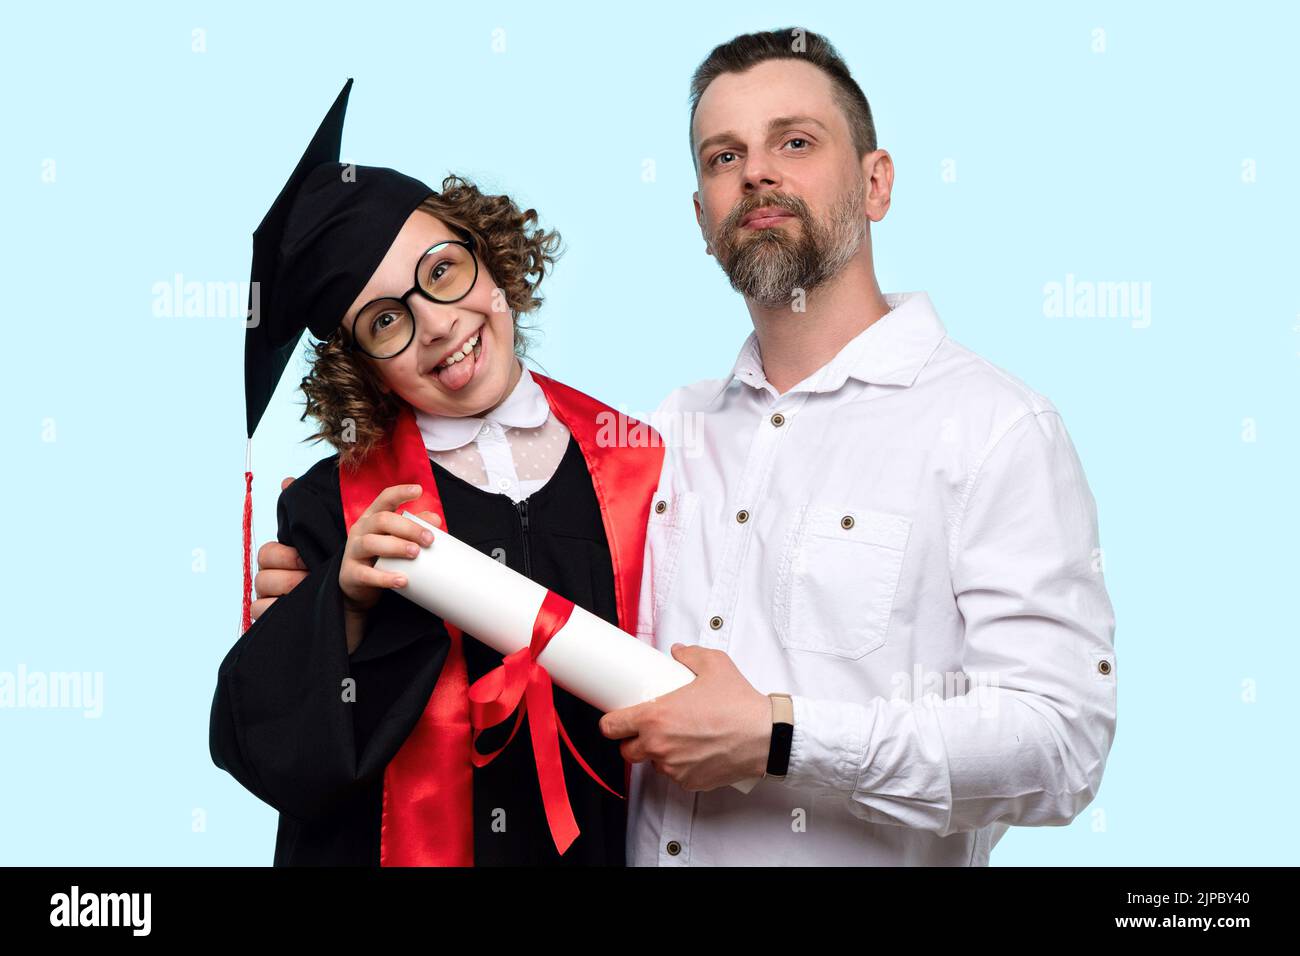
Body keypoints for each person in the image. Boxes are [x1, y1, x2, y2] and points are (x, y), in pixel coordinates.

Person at [254, 30, 1119, 868]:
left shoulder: (991, 429)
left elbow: (1060, 742)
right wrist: (329, 610)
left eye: (796, 140)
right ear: (703, 219)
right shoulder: (657, 442)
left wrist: (781, 737)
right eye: (722, 156)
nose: (757, 174)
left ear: (876, 182)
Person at [208, 79, 663, 866]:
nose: (438, 325)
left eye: (443, 272)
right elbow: (271, 749)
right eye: (386, 320)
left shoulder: (639, 460)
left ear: (488, 257)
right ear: (363, 368)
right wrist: (337, 606)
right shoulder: (333, 510)